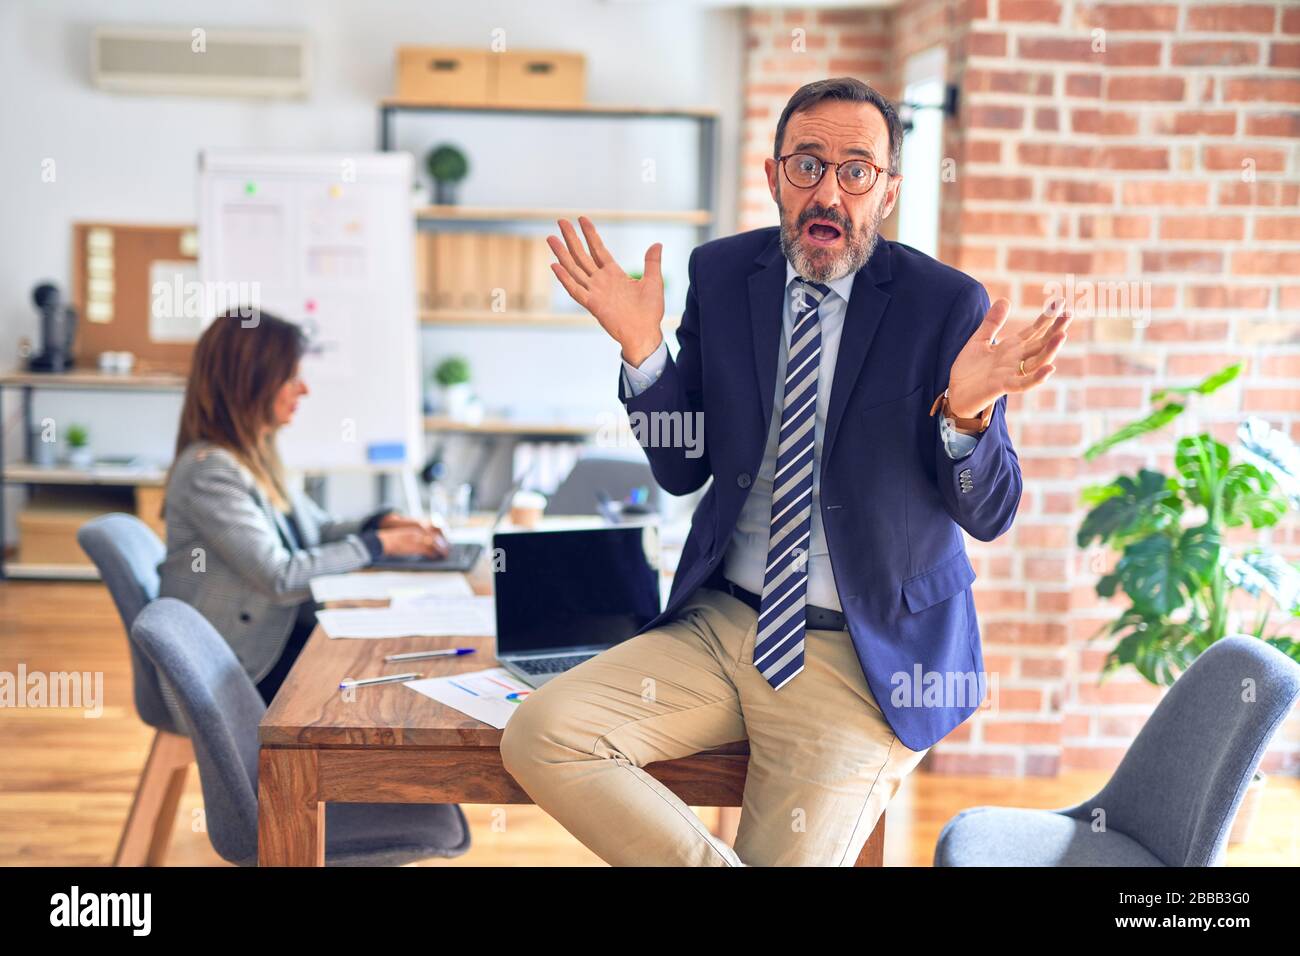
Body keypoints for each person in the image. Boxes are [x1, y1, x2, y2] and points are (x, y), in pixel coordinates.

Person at [499, 76, 1072, 866]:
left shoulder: (945, 306)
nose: (828, 191)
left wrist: (966, 419)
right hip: (719, 624)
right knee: (543, 733)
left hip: (861, 656)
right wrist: (643, 351)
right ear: (773, 178)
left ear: (889, 190)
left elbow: (991, 514)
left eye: (855, 170)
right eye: (806, 165)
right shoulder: (724, 275)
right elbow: (681, 466)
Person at [157, 309, 449, 704]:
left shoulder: (255, 454)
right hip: (238, 666)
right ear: (252, 381)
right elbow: (280, 577)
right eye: (292, 378)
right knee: (385, 686)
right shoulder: (209, 472)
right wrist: (380, 545)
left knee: (398, 663)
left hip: (273, 639)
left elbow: (317, 530)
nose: (304, 390)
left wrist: (382, 524)